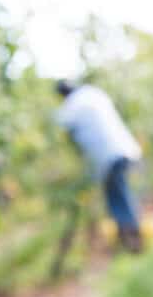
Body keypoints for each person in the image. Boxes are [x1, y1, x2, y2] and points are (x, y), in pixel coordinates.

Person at [54, 80, 144, 253]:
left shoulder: (72, 105)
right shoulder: (93, 93)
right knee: (119, 190)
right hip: (125, 147)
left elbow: (60, 123)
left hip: (107, 156)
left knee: (117, 195)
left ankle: (132, 239)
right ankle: (129, 235)